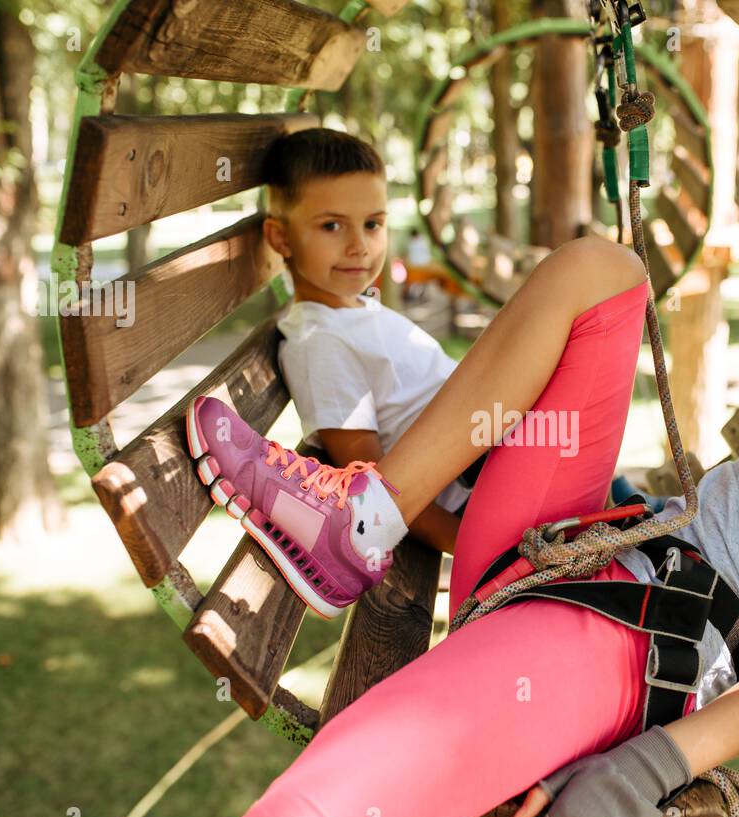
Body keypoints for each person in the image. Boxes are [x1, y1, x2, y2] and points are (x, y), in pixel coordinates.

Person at [191, 174, 739, 817]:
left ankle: (363, 526)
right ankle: (365, 519)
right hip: (578, 549)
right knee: (603, 269)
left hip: (629, 640)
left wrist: (651, 767)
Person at [254, 128, 641, 558]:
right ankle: (633, 512)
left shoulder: (356, 316)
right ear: (281, 238)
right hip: (498, 495)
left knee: (603, 275)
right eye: (331, 225)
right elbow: (368, 489)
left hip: (521, 463)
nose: (358, 246)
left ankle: (632, 510)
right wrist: (475, 552)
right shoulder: (319, 342)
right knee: (596, 266)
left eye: (373, 224)